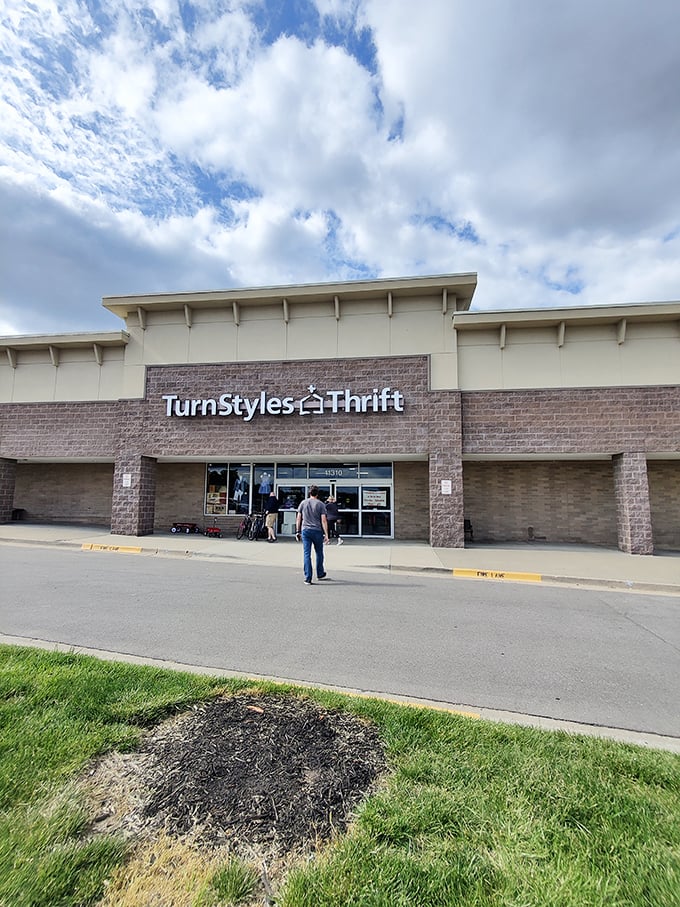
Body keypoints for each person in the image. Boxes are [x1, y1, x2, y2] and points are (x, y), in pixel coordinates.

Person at [296, 485, 330, 584]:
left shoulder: (303, 503)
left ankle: (308, 577)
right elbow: (323, 520)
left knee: (307, 554)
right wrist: (326, 534)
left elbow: (299, 518)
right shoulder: (321, 504)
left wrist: (298, 531)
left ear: (309, 493)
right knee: (319, 552)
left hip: (306, 530)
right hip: (317, 531)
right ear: (317, 494)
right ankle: (320, 573)